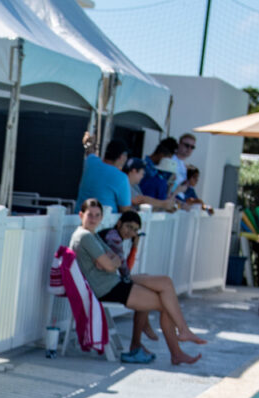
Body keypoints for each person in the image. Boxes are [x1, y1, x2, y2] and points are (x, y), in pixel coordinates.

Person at [71, 199, 206, 368]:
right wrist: (111, 262)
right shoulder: (85, 237)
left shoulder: (92, 234)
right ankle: (178, 345)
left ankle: (179, 336)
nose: (93, 218)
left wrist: (111, 262)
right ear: (81, 215)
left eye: (97, 215)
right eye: (90, 215)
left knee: (165, 284)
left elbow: (116, 262)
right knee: (165, 301)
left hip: (112, 282)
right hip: (108, 288)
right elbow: (111, 264)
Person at [98, 209, 155, 363]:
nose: (131, 232)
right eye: (128, 227)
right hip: (102, 286)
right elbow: (125, 272)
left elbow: (124, 271)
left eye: (135, 230)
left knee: (146, 286)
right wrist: (135, 247)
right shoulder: (113, 239)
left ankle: (140, 337)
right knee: (145, 296)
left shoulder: (113, 235)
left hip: (104, 282)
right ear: (119, 223)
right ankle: (137, 343)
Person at [75, 134, 132, 213]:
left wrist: (89, 142)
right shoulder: (122, 178)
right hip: (102, 223)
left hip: (79, 217)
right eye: (126, 155)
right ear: (121, 156)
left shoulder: (91, 163)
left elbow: (89, 151)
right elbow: (125, 210)